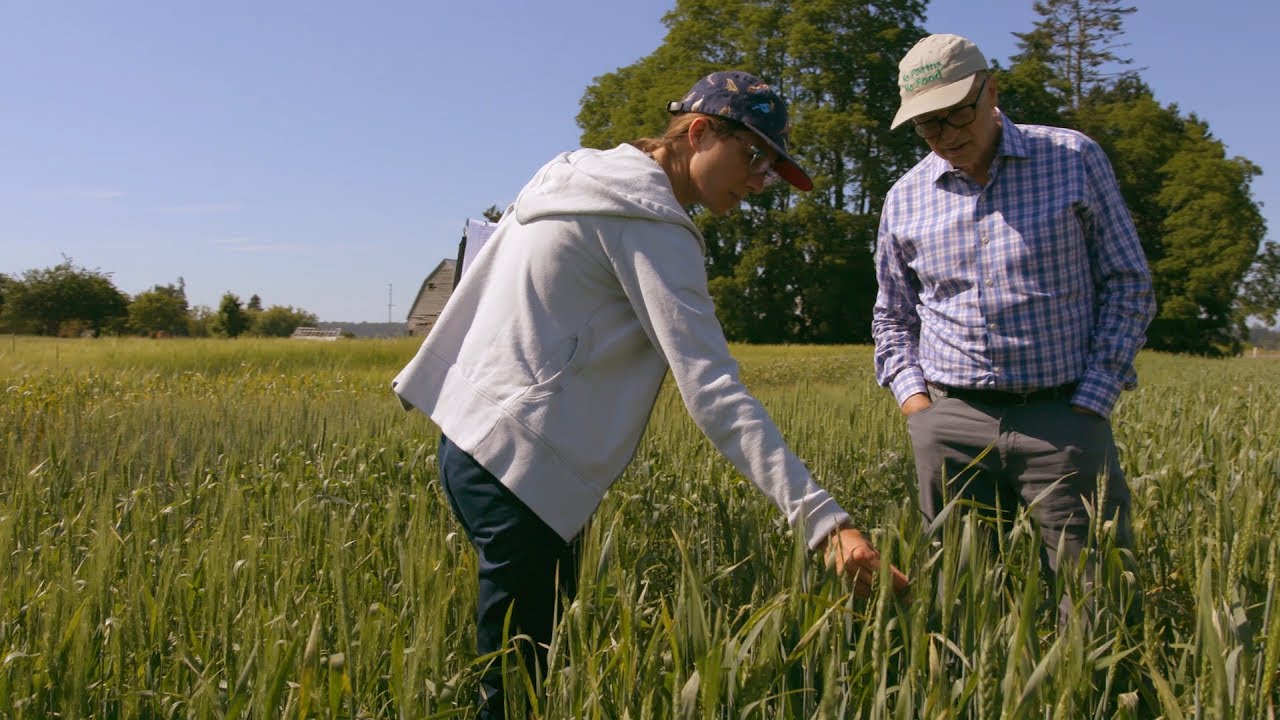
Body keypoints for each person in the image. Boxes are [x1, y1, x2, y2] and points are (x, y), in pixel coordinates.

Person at [394, 70, 910, 718]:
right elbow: (714, 389)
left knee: (522, 664)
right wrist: (824, 522)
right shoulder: (650, 223)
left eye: (773, 167)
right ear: (698, 132)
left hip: (470, 444)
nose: (759, 179)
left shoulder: (571, 177)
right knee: (517, 686)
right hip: (519, 468)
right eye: (752, 155)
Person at [872, 34, 1155, 621]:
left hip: (1063, 421)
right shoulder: (904, 198)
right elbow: (892, 315)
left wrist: (1093, 398)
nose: (947, 135)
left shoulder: (1072, 158)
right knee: (963, 602)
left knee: (1098, 602)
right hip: (951, 425)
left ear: (991, 90)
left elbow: (1128, 282)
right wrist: (919, 408)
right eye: (928, 126)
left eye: (958, 114)